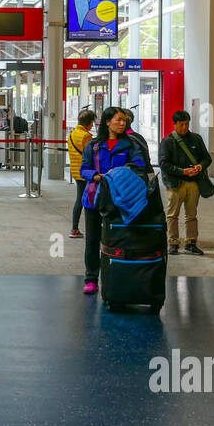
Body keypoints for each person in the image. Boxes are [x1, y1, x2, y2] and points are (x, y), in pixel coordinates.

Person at [80, 106, 151, 295]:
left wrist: (120, 172)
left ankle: (118, 278)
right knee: (92, 240)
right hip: (94, 198)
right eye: (118, 120)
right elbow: (83, 169)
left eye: (124, 121)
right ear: (107, 122)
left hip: (121, 199)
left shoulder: (131, 145)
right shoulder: (93, 145)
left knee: (121, 240)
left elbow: (140, 166)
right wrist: (95, 175)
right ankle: (91, 279)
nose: (122, 124)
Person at [159, 110, 213, 255]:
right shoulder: (167, 141)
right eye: (181, 124)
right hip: (175, 184)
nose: (184, 127)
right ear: (174, 124)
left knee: (191, 215)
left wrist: (200, 166)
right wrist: (182, 171)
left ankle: (191, 242)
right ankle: (173, 243)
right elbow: (163, 164)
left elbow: (207, 158)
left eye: (187, 124)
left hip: (193, 184)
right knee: (172, 215)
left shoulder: (196, 139)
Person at [67, 109, 96, 239]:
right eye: (92, 122)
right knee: (86, 200)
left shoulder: (72, 134)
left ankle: (74, 228)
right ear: (88, 123)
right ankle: (76, 228)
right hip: (86, 172)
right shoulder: (86, 136)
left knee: (79, 199)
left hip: (75, 170)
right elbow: (90, 155)